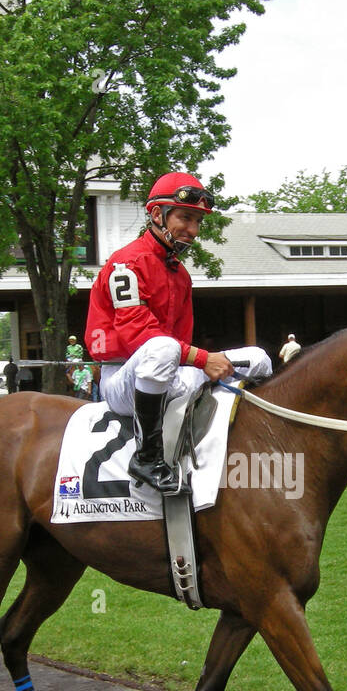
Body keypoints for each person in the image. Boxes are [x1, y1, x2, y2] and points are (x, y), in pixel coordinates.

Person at [86, 171, 271, 493]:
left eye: (198, 221)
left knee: (258, 359)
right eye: (185, 218)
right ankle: (147, 458)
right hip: (122, 381)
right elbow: (137, 334)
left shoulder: (180, 274)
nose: (193, 230)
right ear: (157, 214)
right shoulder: (126, 264)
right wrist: (203, 360)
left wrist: (203, 363)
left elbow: (180, 344)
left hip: (169, 371)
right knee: (161, 347)